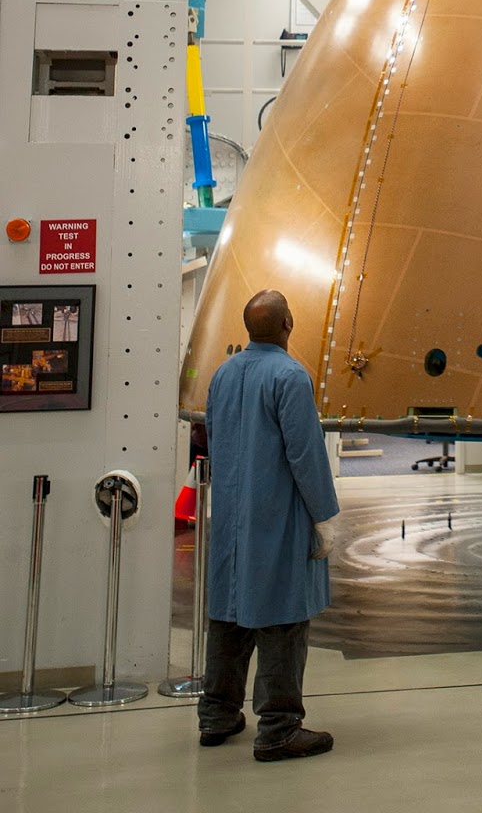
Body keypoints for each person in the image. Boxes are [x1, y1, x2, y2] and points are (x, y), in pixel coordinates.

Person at [197, 289, 340, 762]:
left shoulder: (223, 374)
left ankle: (217, 715)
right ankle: (278, 728)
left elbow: (215, 443)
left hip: (232, 516)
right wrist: (324, 516)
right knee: (283, 616)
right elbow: (305, 454)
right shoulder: (290, 376)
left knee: (229, 616)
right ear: (288, 324)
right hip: (277, 517)